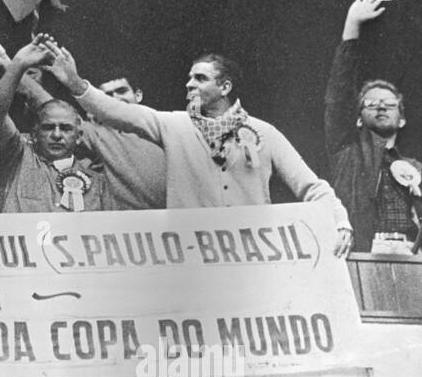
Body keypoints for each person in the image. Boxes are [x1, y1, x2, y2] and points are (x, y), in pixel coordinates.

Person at [41, 38, 354, 255]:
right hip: (189, 261)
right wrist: (76, 83)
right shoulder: (174, 125)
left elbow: (312, 187)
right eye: (190, 78)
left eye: (200, 78)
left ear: (225, 87)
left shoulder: (263, 133)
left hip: (250, 261)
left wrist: (340, 221)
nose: (189, 84)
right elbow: (118, 112)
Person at [0, 34, 166, 210]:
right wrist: (12, 64)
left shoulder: (166, 129)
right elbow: (50, 109)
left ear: (138, 94)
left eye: (121, 91)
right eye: (107, 95)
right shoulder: (98, 141)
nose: (114, 99)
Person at [326, 0, 422, 253]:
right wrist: (352, 26)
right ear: (358, 119)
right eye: (371, 103)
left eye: (389, 103)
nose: (381, 105)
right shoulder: (346, 154)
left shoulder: (418, 169)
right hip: (363, 256)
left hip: (411, 257)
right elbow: (338, 99)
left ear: (402, 119)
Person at [0, 41, 117, 213]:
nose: (57, 135)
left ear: (79, 136)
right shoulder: (17, 159)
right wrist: (17, 65)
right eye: (48, 127)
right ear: (34, 135)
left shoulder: (99, 183)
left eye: (66, 128)